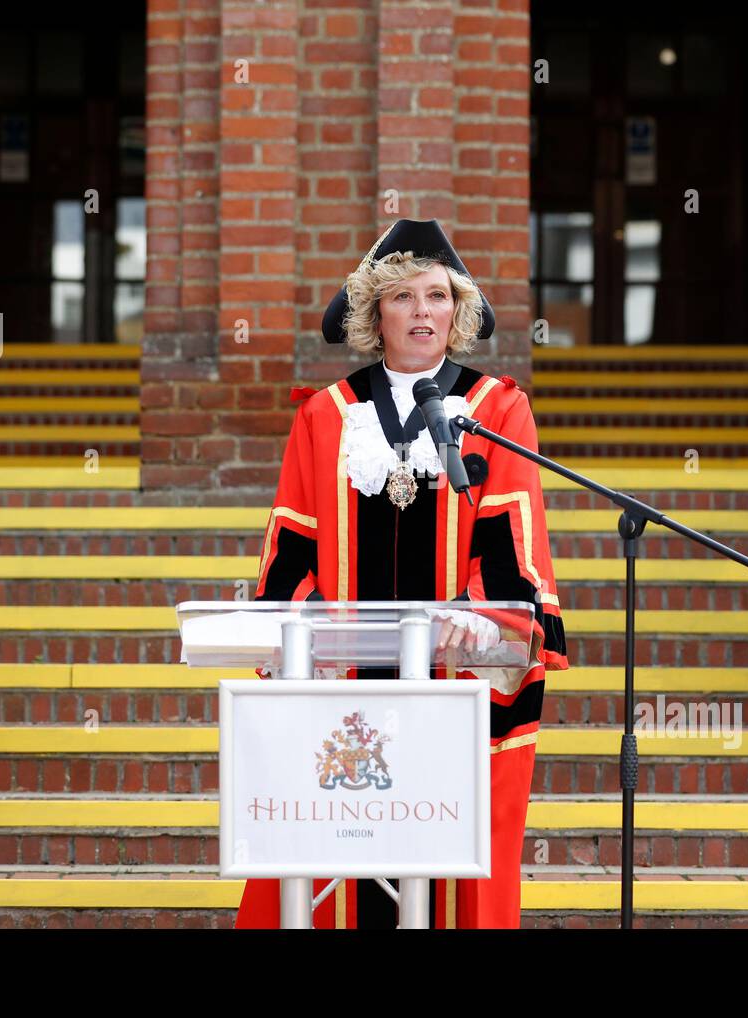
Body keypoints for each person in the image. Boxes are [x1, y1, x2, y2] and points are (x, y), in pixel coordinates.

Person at [233, 220, 568, 927]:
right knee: (331, 853)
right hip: (346, 690)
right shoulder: (326, 416)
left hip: (455, 682)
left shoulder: (497, 410)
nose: (423, 312)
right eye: (404, 298)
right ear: (373, 315)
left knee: (453, 866)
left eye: (439, 297)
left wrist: (471, 614)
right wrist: (316, 630)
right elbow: (289, 555)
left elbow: (514, 549)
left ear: (459, 312)